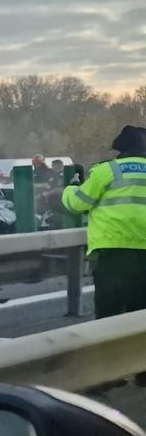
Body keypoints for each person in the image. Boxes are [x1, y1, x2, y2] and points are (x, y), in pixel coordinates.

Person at [62, 125, 146, 319]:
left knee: (109, 313)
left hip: (111, 251)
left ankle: (109, 348)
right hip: (144, 253)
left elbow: (78, 203)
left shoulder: (107, 170)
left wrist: (70, 187)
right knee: (140, 314)